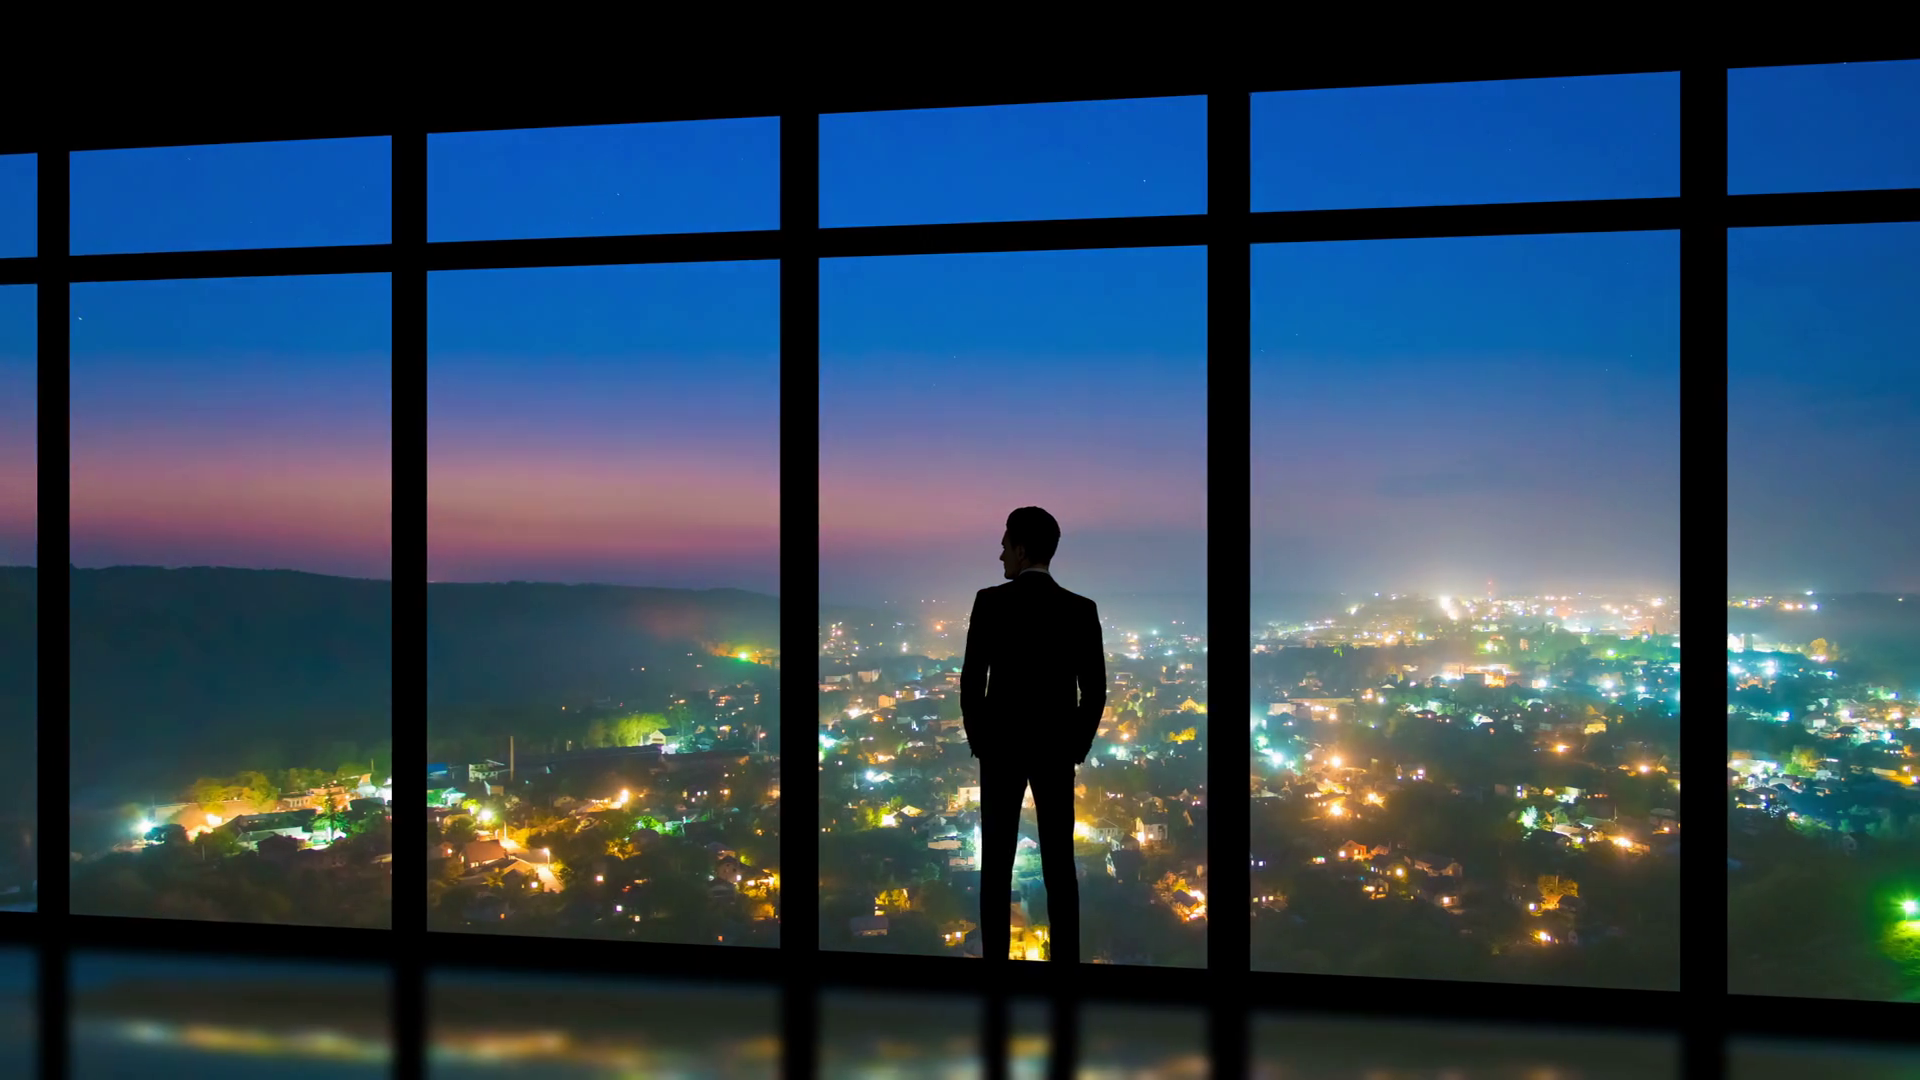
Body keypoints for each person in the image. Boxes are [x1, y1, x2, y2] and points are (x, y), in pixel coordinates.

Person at [961, 506, 1106, 964]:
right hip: (1055, 751)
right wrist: (1075, 746)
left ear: (1021, 550)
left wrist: (983, 742)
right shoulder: (1080, 610)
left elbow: (971, 684)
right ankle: (1067, 965)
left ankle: (995, 968)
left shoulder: (990, 602)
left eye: (1005, 544)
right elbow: (1095, 691)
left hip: (1001, 749)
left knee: (996, 864)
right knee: (1060, 865)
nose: (999, 553)